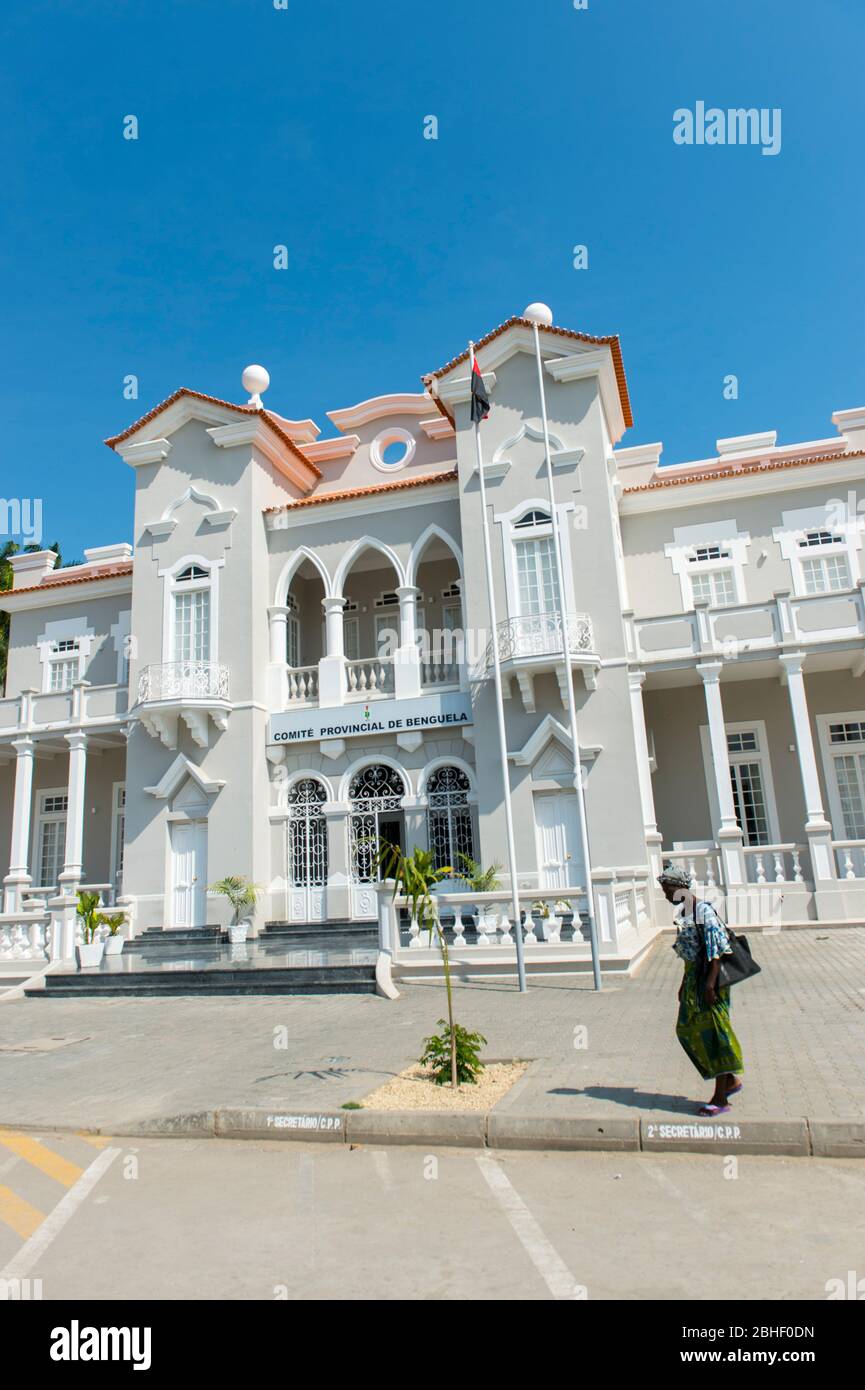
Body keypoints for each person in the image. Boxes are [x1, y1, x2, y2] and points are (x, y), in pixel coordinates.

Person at [657, 863, 744, 1117]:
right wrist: (685, 983)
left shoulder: (702, 910)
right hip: (695, 978)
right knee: (687, 1027)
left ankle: (720, 1098)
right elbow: (691, 954)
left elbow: (717, 947)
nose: (665, 895)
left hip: (710, 981)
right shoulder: (685, 912)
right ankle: (730, 1080)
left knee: (715, 1032)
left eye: (666, 890)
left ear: (678, 887)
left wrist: (709, 984)